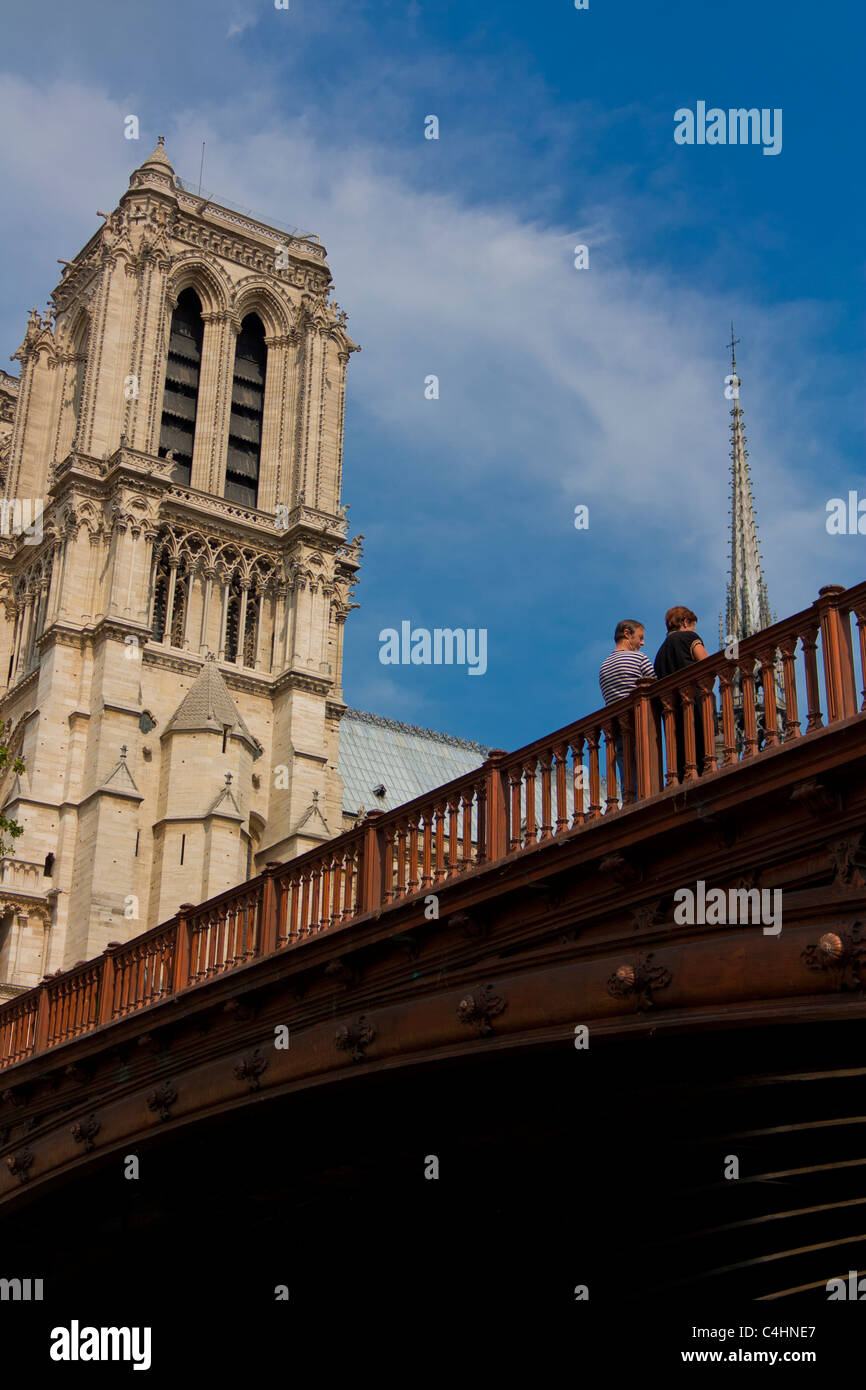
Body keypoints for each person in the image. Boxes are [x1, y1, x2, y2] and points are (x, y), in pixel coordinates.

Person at [599, 619, 656, 798]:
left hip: (617, 727)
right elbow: (656, 686)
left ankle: (629, 797)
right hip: (639, 720)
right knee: (645, 763)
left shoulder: (604, 666)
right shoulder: (639, 658)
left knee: (625, 765)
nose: (642, 642)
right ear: (627, 634)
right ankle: (646, 797)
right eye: (640, 637)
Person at [653, 606, 710, 781]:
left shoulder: (660, 653)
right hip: (695, 701)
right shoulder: (689, 637)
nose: (694, 629)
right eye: (692, 625)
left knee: (681, 748)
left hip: (672, 712)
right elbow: (708, 663)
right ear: (685, 622)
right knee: (703, 745)